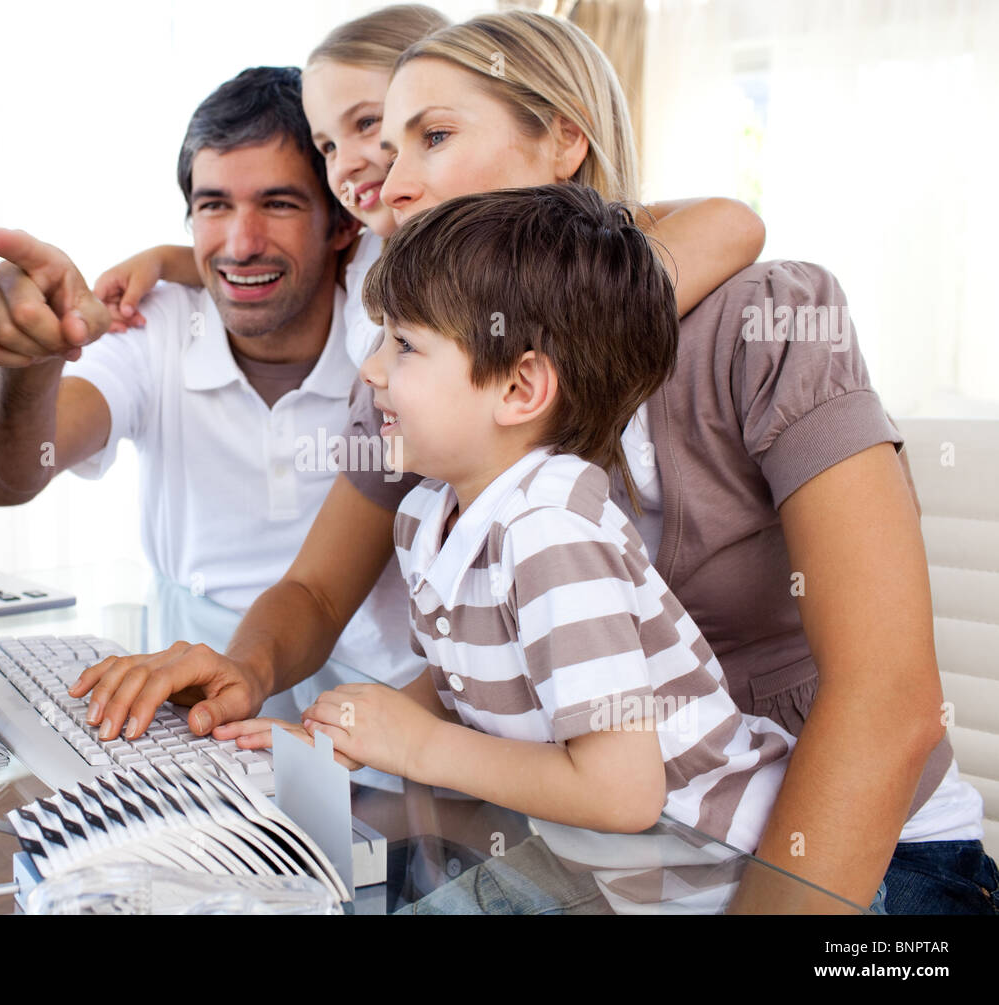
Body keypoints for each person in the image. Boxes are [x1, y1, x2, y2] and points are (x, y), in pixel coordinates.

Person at [70, 9, 994, 914]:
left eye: (431, 137)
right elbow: (317, 594)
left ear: (563, 139)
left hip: (844, 857)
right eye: (379, 153)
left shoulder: (770, 323)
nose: (387, 185)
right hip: (612, 860)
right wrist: (252, 672)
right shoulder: (417, 378)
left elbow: (890, 701)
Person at [291, 181, 795, 913]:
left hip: (710, 876)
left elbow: (623, 791)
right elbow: (457, 684)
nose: (371, 371)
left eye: (403, 344)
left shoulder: (549, 528)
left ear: (521, 387)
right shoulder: (430, 516)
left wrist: (415, 748)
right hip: (600, 867)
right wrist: (338, 734)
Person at [0, 66, 426, 744]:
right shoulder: (155, 327)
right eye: (213, 206)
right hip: (192, 701)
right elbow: (6, 478)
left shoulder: (390, 344)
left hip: (379, 703)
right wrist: (33, 363)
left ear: (342, 226)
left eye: (279, 204)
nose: (240, 244)